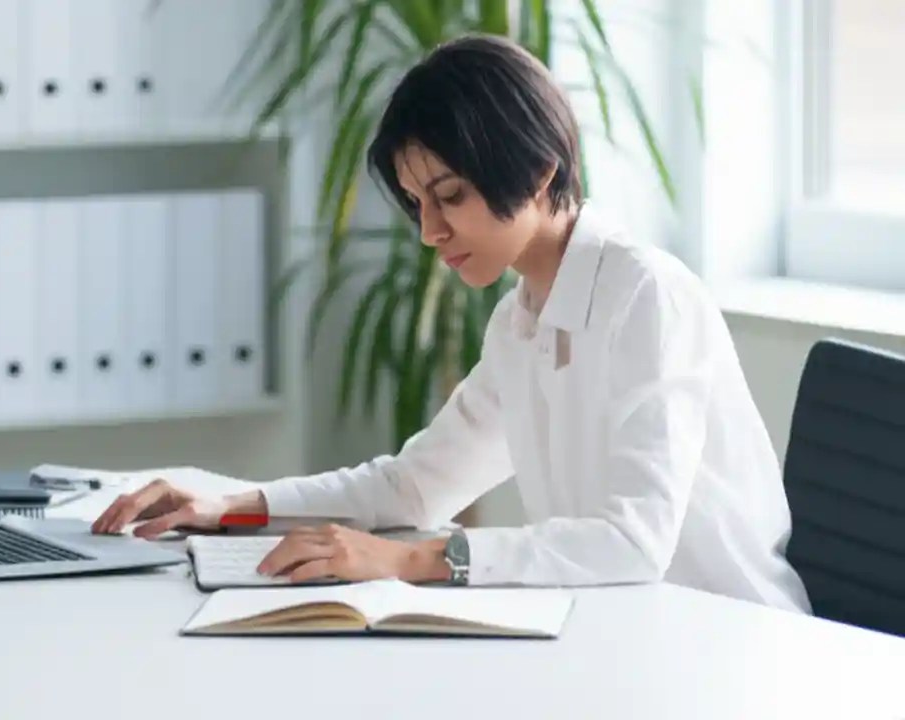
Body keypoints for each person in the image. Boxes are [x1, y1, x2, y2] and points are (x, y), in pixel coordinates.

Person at [92, 35, 810, 613]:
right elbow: (413, 487)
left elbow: (632, 542)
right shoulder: (520, 321)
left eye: (451, 197)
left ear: (537, 172)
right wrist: (231, 507)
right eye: (417, 204)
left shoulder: (647, 297)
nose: (430, 232)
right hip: (626, 633)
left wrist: (409, 560)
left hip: (731, 642)